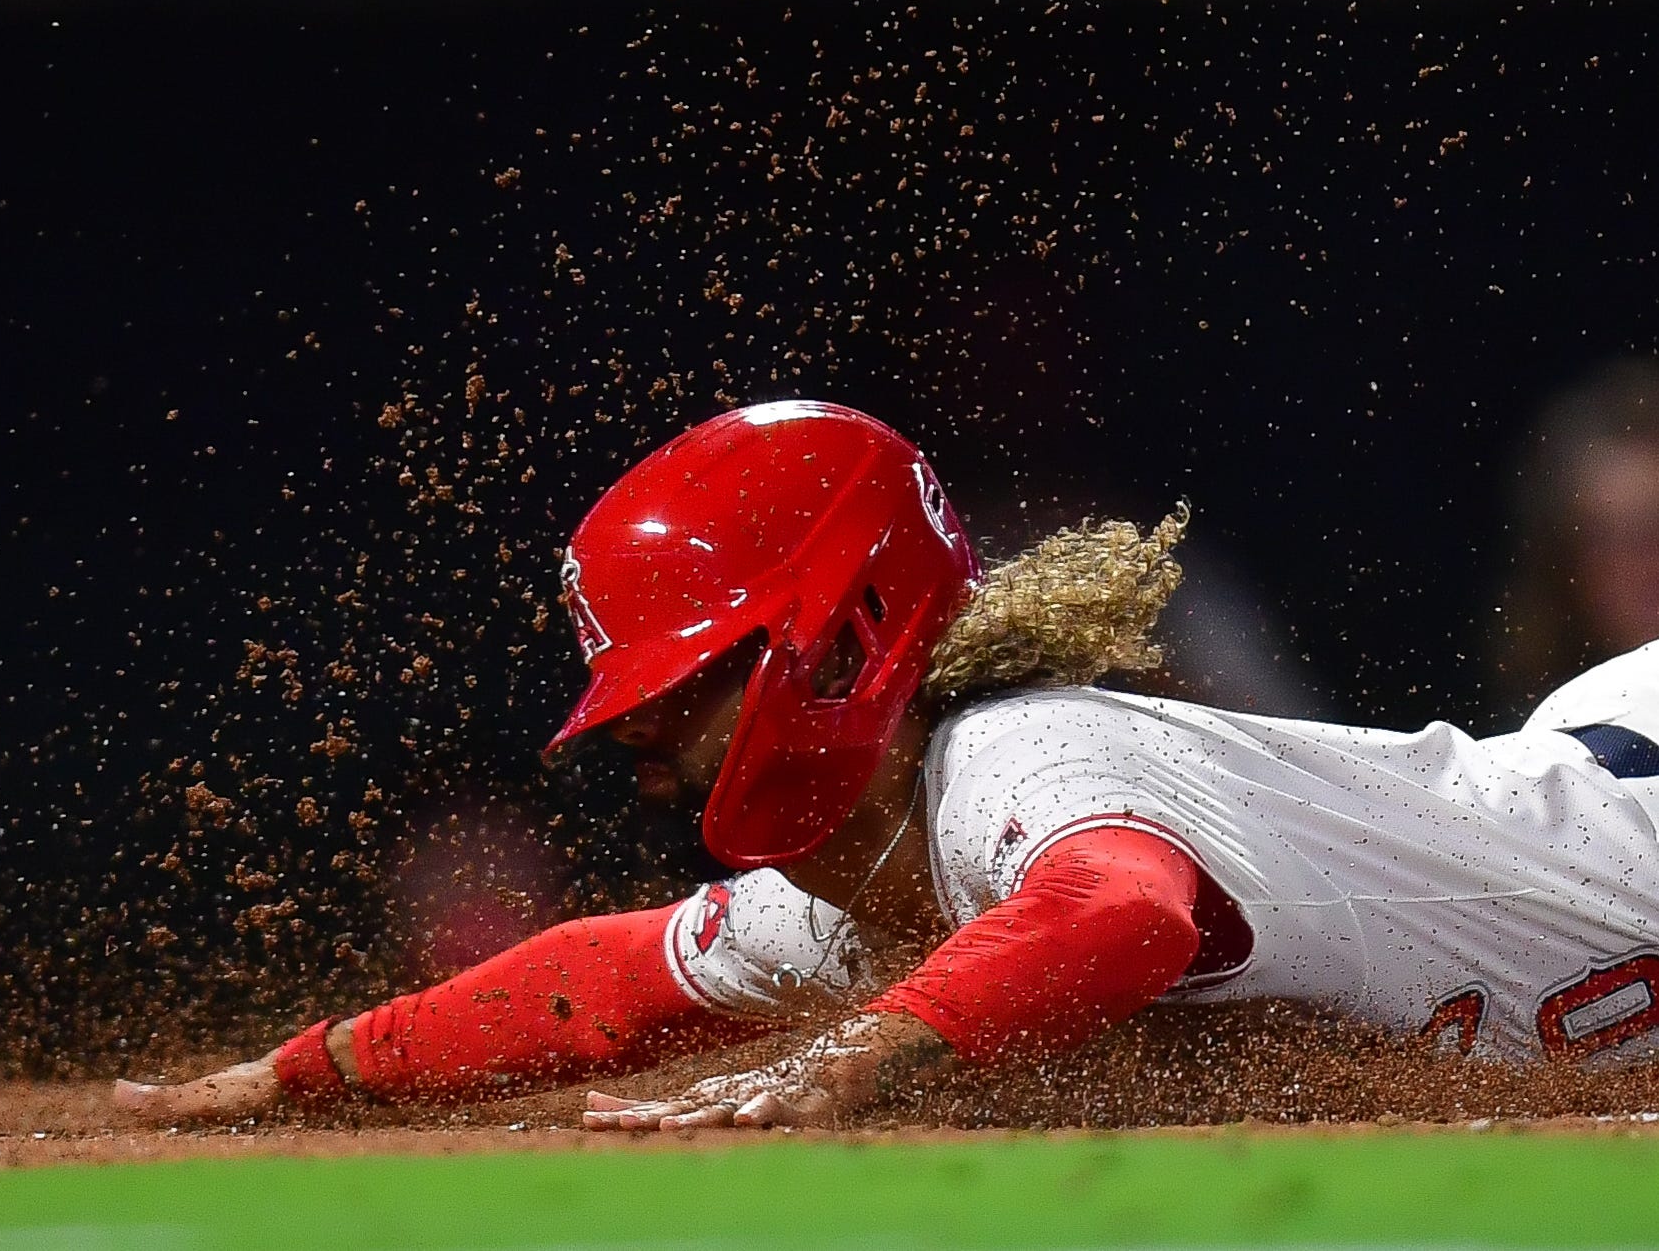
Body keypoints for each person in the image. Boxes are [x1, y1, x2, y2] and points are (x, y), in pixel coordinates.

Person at [114, 400, 1659, 1131]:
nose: (646, 742)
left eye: (682, 690)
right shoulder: (875, 874)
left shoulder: (1018, 754)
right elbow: (624, 976)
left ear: (842, 640)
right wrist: (298, 1070)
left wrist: (852, 1059)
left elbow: (1121, 913)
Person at [1488, 357, 1659, 722]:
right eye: (1613, 539)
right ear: (1563, 560)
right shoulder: (1524, 750)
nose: (1647, 565)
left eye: (1656, 530)